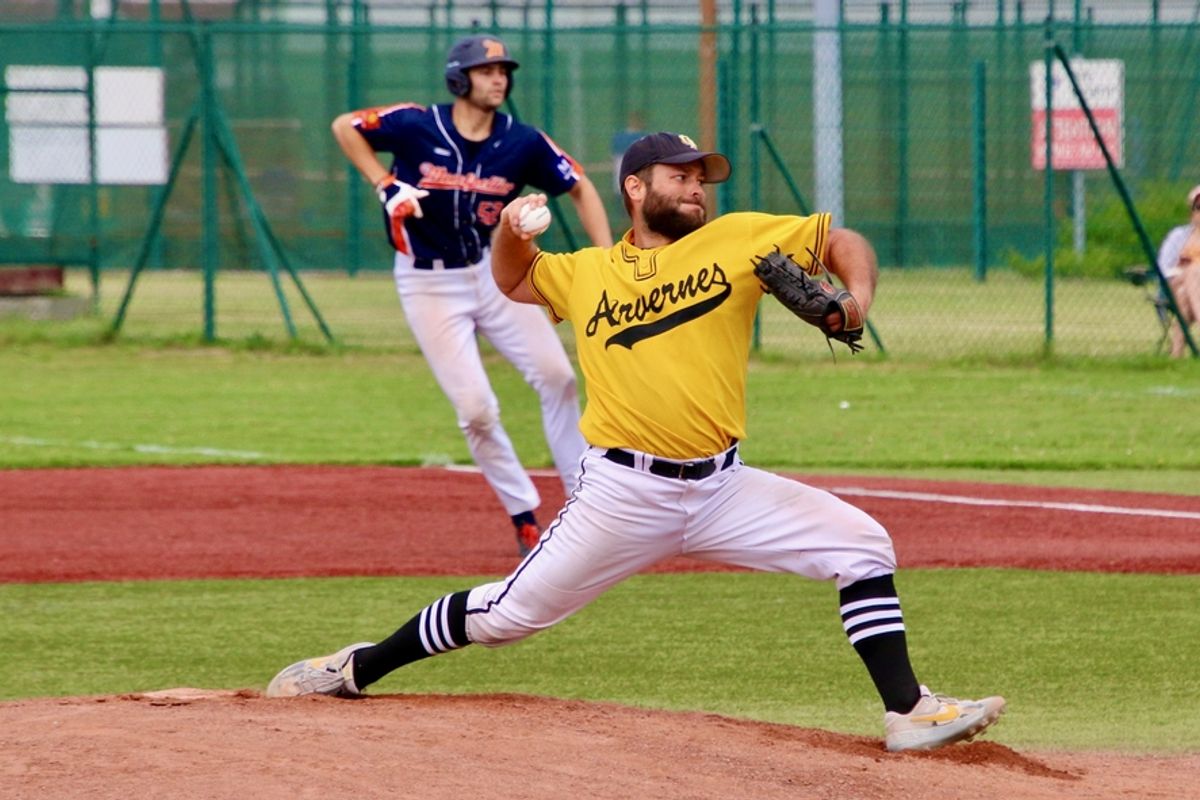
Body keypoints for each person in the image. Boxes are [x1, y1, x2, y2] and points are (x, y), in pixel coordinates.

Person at [267, 132, 1005, 753]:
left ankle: (908, 712)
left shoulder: (738, 238)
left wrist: (855, 300)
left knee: (861, 544)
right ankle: (357, 667)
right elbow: (514, 282)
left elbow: (842, 241)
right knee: (505, 617)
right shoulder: (588, 272)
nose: (696, 187)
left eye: (701, 178)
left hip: (723, 487)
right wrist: (511, 232)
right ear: (634, 187)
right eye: (679, 176)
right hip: (622, 492)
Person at [330, 34, 614, 555]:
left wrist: (609, 259)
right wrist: (384, 183)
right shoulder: (417, 124)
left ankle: (585, 504)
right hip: (427, 282)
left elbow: (579, 186)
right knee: (476, 410)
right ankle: (524, 514)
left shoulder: (521, 141)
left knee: (559, 377)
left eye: (504, 70)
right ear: (459, 78)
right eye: (487, 70)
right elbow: (345, 126)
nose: (499, 78)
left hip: (491, 273)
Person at [1155, 184, 1200, 358]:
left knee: (1184, 299)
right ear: (1191, 212)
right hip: (1174, 285)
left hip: (1186, 293)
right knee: (1192, 272)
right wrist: (1186, 273)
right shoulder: (1178, 236)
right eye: (1198, 207)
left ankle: (1176, 356)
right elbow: (1163, 268)